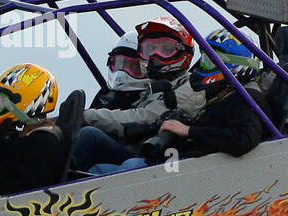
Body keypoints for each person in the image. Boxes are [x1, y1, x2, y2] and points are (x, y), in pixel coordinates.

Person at [88, 27, 269, 174]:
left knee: (131, 166)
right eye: (204, 58)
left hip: (196, 172)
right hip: (182, 164)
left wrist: (188, 131)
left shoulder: (247, 98)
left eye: (211, 61)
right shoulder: (222, 95)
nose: (203, 65)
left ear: (235, 64)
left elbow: (242, 140)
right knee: (97, 168)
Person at [71, 16, 206, 171]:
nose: (155, 57)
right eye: (150, 50)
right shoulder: (157, 84)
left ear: (183, 50)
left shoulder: (189, 86)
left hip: (164, 159)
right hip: (139, 151)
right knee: (88, 147)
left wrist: (87, 116)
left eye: (166, 50)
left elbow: (145, 118)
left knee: (91, 138)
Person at [0, 63, 66, 197]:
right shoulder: (26, 137)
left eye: (3, 100)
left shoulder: (41, 144)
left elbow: (16, 195)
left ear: (27, 102)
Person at [89, 31, 149, 110]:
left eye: (135, 66)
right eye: (119, 64)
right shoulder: (106, 94)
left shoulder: (157, 99)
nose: (121, 74)